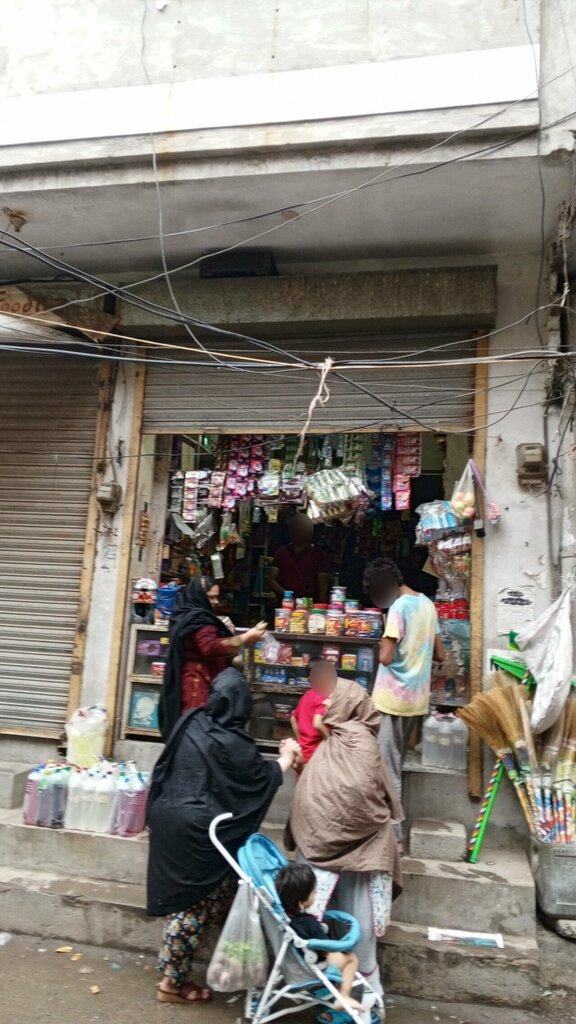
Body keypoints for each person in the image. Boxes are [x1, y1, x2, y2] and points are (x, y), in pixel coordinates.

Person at [147, 667, 301, 1004]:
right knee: (193, 905)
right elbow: (258, 780)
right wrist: (286, 757)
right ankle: (171, 983)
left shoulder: (192, 720)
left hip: (166, 815)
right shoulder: (232, 740)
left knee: (220, 891)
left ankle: (231, 962)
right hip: (198, 830)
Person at [288, 678, 402, 999]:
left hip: (323, 848)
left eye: (331, 702)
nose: (324, 706)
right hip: (358, 847)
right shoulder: (355, 739)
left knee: (332, 918)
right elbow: (365, 795)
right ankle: (360, 989)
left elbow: (353, 793)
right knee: (355, 922)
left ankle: (345, 987)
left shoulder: (346, 741)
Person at [365, 558, 445, 820]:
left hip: (392, 699)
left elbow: (386, 658)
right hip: (416, 699)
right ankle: (393, 833)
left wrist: (382, 646)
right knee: (396, 765)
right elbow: (440, 654)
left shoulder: (398, 608)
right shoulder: (427, 604)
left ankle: (394, 837)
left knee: (388, 771)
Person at [158, 575, 267, 740]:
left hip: (194, 679)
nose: (216, 602)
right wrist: (245, 638)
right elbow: (209, 647)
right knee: (197, 730)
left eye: (217, 597)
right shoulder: (199, 619)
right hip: (198, 682)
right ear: (200, 596)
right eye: (211, 597)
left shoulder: (185, 614)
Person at [275, 863, 363, 1014]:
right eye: (314, 893)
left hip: (295, 960)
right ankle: (343, 996)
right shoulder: (309, 923)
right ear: (301, 902)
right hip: (316, 963)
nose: (316, 895)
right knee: (351, 958)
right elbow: (325, 948)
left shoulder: (284, 919)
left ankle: (330, 986)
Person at [269, 512, 331, 604]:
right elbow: (271, 579)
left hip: (309, 604)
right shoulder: (282, 552)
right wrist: (286, 594)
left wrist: (321, 608)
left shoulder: (319, 555)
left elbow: (323, 586)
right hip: (285, 604)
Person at [291, 658, 338, 762]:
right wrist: (331, 742)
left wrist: (301, 740)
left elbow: (293, 719)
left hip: (303, 752)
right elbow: (317, 724)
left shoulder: (307, 695)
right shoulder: (323, 695)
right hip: (316, 755)